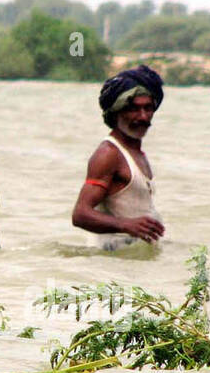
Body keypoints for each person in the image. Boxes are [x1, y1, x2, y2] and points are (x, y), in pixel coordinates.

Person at [71, 64, 166, 250]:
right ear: (116, 112)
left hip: (133, 262)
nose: (143, 116)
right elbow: (80, 214)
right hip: (110, 263)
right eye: (134, 109)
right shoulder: (108, 154)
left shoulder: (137, 153)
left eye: (148, 108)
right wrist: (126, 225)